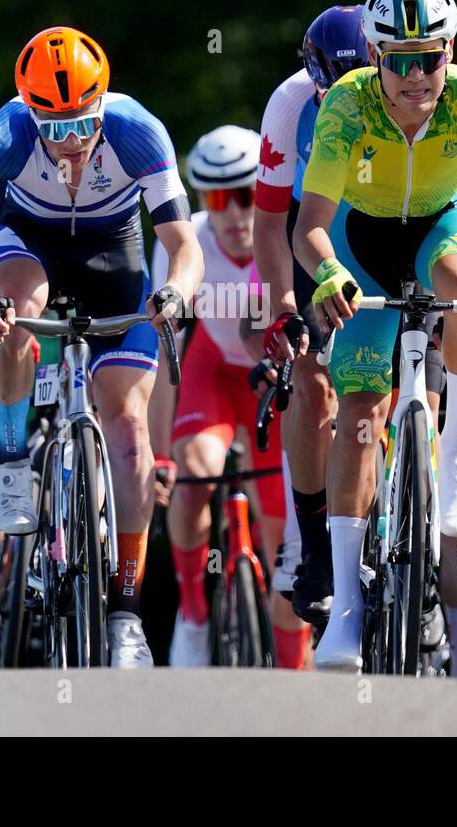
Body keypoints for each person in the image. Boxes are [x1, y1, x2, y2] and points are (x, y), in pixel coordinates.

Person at [293, 0, 457, 672]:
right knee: (361, 406)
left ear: (449, 53)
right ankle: (342, 607)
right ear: (373, 57)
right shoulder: (345, 105)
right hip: (362, 241)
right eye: (398, 58)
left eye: (430, 56)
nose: (416, 75)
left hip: (443, 228)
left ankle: (453, 450)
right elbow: (309, 226)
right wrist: (329, 274)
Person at [0, 26, 202, 668]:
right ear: (28, 111)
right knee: (17, 313)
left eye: (79, 126)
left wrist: (174, 294)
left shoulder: (137, 131)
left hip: (110, 253)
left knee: (127, 427)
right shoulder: (2, 137)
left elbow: (184, 246)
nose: (66, 144)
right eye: (51, 128)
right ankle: (12, 460)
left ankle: (124, 611)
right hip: (27, 244)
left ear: (102, 104)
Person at [148, 126, 312, 669]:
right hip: (214, 372)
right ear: (202, 202)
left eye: (246, 195)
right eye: (220, 200)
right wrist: (160, 454)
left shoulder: (286, 235)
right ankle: (193, 613)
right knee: (193, 474)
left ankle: (295, 683)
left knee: (285, 550)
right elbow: (163, 358)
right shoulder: (183, 244)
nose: (237, 214)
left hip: (276, 383)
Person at [254, 5, 368, 627]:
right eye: (333, 91)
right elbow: (270, 222)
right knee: (311, 381)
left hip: (387, 227)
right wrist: (284, 311)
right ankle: (316, 546)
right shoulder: (291, 105)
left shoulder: (406, 87)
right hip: (311, 232)